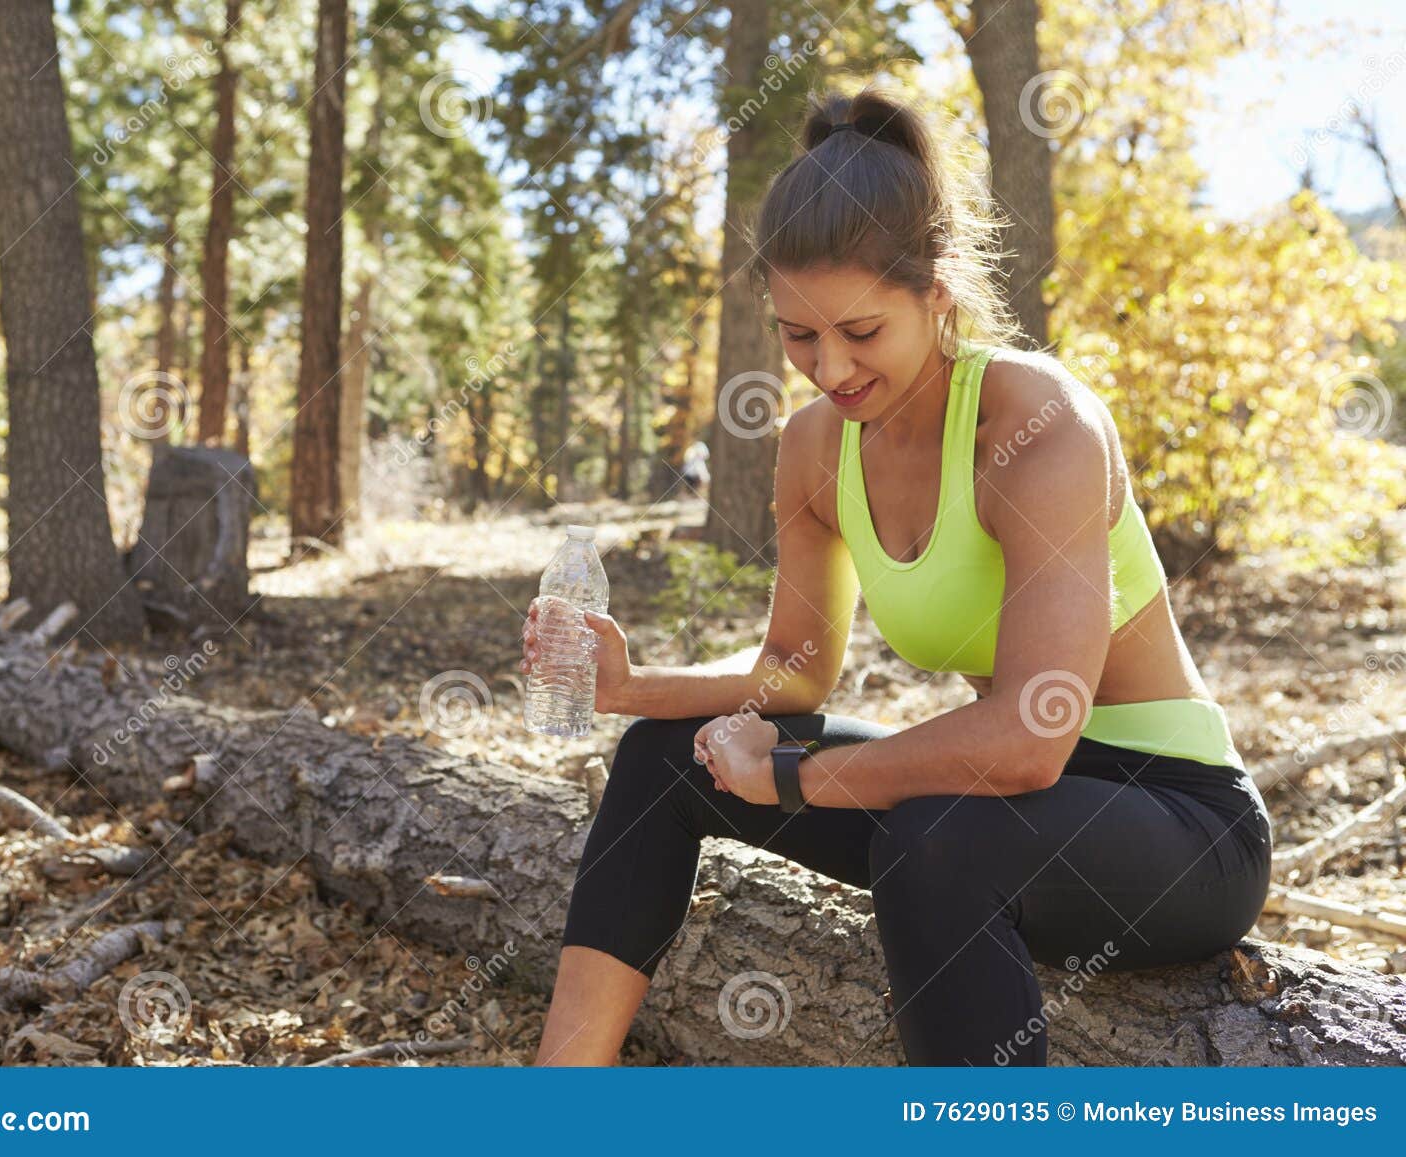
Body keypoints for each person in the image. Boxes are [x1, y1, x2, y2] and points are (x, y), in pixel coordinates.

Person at [519, 82, 1271, 1067]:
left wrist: (790, 774)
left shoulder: (1035, 426)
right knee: (668, 754)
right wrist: (633, 687)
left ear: (936, 293)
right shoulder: (812, 448)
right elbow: (794, 669)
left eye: (861, 332)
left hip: (1175, 828)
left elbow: (1029, 738)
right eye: (798, 335)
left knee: (932, 833)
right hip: (1001, 811)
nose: (828, 368)